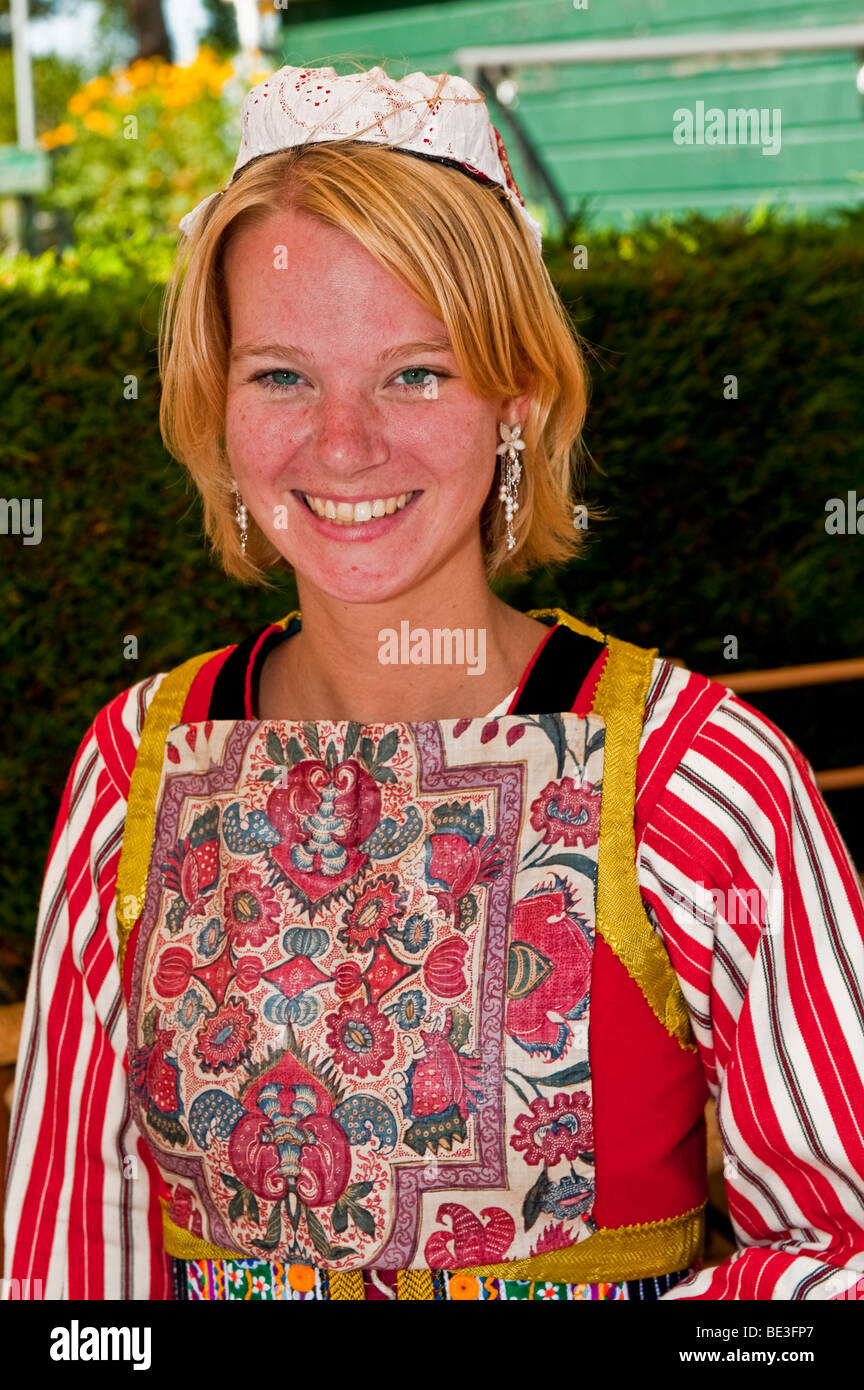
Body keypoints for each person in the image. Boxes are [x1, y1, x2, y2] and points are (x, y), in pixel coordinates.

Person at [4, 64, 864, 1303]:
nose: (343, 443)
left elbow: (843, 1252)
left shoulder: (697, 779)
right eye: (283, 374)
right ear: (217, 400)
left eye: (417, 371)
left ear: (515, 397)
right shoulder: (136, 763)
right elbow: (71, 1263)